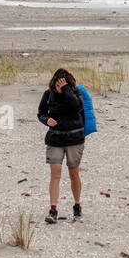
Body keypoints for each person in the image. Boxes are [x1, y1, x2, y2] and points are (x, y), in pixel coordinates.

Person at [37, 68, 86, 223]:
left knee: (74, 173)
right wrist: (46, 120)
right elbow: (41, 112)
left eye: (62, 84)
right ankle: (53, 210)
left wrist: (66, 90)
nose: (59, 87)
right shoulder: (48, 94)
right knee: (55, 173)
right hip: (55, 139)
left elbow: (76, 107)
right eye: (57, 84)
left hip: (74, 138)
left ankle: (77, 205)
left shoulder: (76, 93)